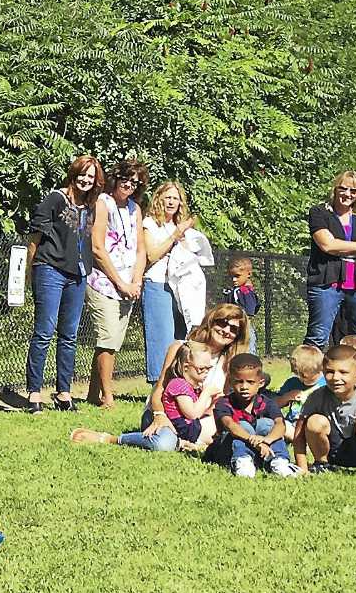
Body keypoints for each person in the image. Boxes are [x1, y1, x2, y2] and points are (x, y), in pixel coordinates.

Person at [22, 156, 99, 412]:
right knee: (44, 332)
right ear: (73, 174)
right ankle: (34, 393)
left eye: (91, 176)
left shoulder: (90, 206)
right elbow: (35, 235)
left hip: (77, 274)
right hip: (50, 269)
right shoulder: (56, 198)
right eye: (83, 174)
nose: (86, 180)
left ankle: (64, 392)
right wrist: (30, 269)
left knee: (69, 335)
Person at [70, 339, 217, 454]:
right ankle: (113, 439)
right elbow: (192, 413)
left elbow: (199, 413)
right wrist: (206, 394)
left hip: (185, 429)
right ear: (186, 367)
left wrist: (211, 406)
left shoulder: (194, 385)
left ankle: (184, 444)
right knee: (162, 443)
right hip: (169, 424)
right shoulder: (178, 385)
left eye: (208, 368)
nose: (206, 373)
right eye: (202, 369)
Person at [84, 159, 148, 407]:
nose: (129, 185)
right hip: (103, 281)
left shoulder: (135, 208)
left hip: (129, 285)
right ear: (116, 178)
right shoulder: (103, 203)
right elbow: (97, 247)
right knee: (107, 338)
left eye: (135, 182)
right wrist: (120, 282)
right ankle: (108, 397)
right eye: (126, 179)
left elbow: (141, 249)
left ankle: (92, 394)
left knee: (109, 344)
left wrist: (136, 280)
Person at [140, 182, 212, 383]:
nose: (171, 201)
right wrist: (175, 236)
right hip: (158, 284)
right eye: (168, 197)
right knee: (161, 336)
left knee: (182, 335)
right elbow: (152, 255)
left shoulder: (179, 227)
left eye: (176, 198)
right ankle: (159, 382)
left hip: (182, 286)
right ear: (159, 199)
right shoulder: (150, 224)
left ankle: (179, 381)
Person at [304, 170, 356, 350]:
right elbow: (327, 245)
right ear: (335, 188)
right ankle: (307, 377)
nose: (348, 195)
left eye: (354, 191)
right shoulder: (319, 212)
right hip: (326, 284)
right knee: (318, 336)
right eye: (343, 189)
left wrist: (342, 248)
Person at [295, 347, 356, 475]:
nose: (335, 377)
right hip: (334, 453)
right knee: (314, 421)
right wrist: (302, 468)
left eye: (343, 372)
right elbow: (298, 435)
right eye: (330, 371)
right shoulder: (316, 397)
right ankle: (322, 464)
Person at [209, 353, 293, 478]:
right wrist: (254, 441)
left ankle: (279, 461)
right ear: (231, 381)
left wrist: (266, 440)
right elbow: (230, 425)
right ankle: (242, 462)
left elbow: (280, 425)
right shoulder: (224, 403)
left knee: (267, 424)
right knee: (242, 425)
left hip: (262, 448)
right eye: (239, 381)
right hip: (229, 450)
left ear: (260, 383)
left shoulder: (267, 403)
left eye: (250, 382)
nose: (244, 387)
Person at [272, 342, 324, 422]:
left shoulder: (325, 384)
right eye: (298, 374)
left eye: (305, 375)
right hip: (291, 423)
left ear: (319, 370)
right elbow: (274, 404)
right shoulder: (293, 383)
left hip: (311, 424)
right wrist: (287, 397)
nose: (301, 378)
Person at [221, 257, 260, 354]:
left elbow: (250, 311)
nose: (234, 279)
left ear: (249, 274)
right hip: (234, 325)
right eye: (232, 276)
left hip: (243, 326)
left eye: (237, 276)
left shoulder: (244, 291)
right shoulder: (236, 290)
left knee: (248, 351)